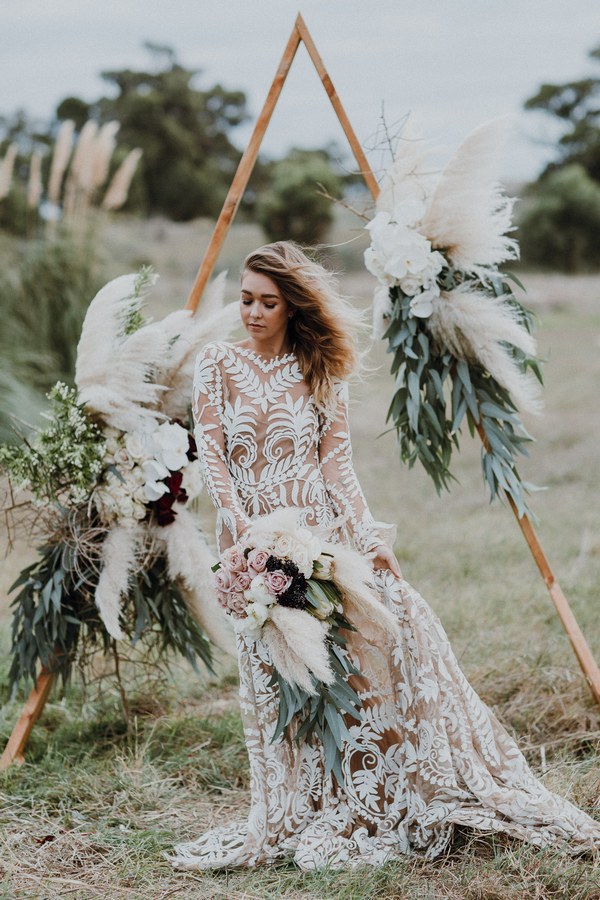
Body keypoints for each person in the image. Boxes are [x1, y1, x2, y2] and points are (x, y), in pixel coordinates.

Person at [170, 241, 600, 871]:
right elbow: (215, 460)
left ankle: (372, 798)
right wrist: (247, 543)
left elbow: (336, 465)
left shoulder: (318, 367)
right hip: (255, 545)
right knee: (281, 672)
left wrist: (369, 539)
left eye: (268, 302)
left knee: (368, 652)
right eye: (246, 300)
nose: (254, 313)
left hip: (323, 540)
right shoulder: (217, 365)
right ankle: (304, 803)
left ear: (293, 306)